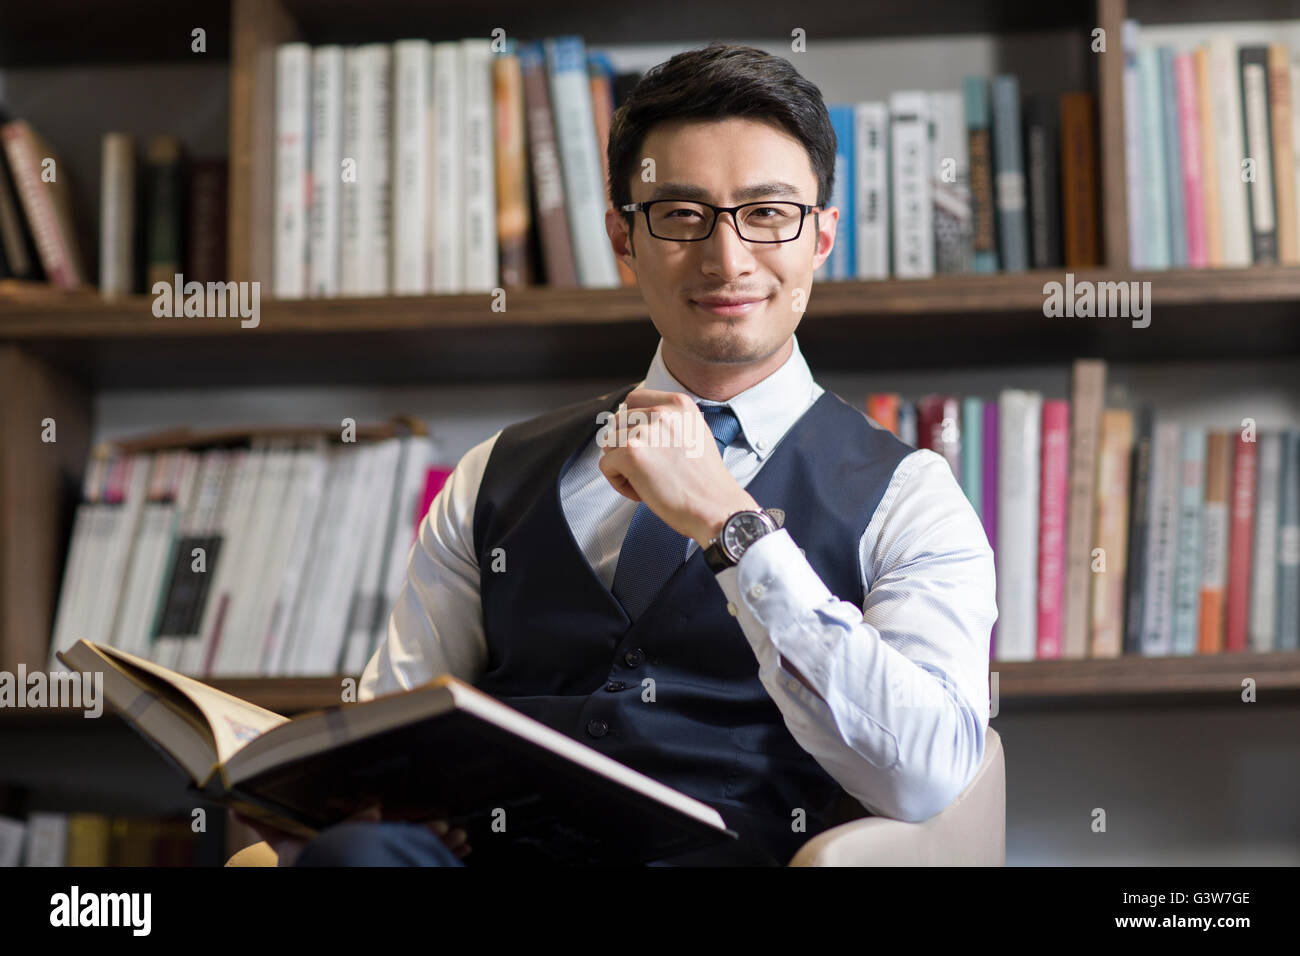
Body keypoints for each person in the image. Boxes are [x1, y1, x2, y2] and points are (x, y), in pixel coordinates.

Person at [237, 41, 995, 867]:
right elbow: (396, 723)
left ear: (821, 237)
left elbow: (925, 775)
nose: (727, 258)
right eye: (680, 215)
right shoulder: (492, 476)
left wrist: (730, 523)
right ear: (623, 239)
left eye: (769, 214)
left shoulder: (911, 496)